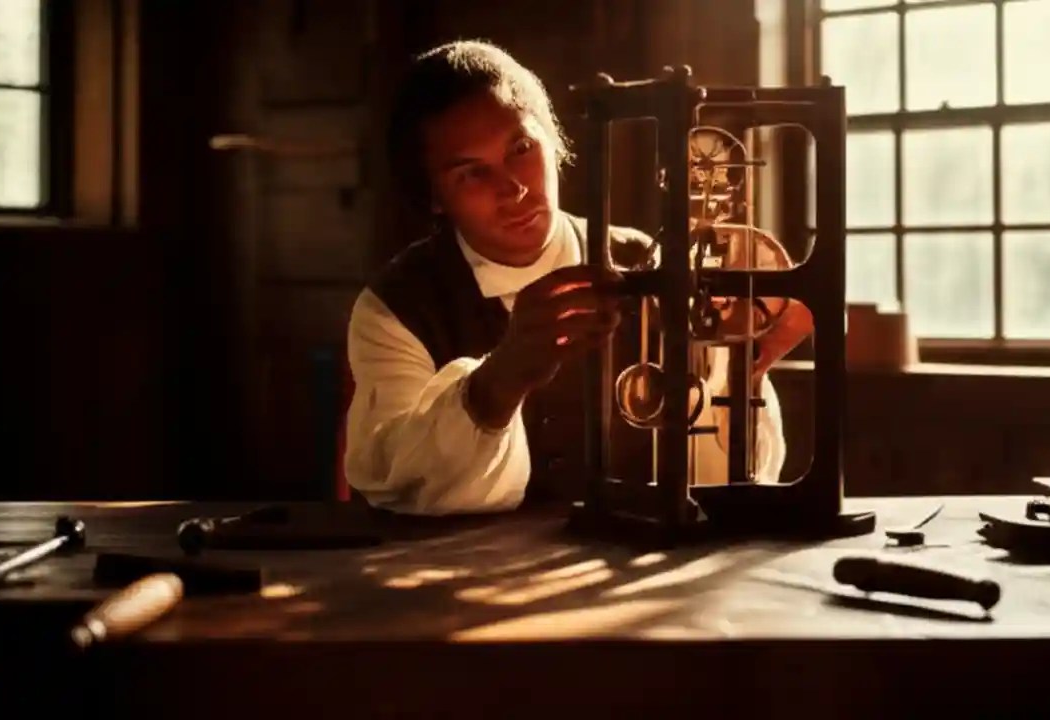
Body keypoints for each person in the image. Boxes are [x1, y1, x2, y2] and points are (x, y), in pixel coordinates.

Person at [344, 40, 809, 515]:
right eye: (471, 174)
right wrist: (496, 384)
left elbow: (725, 476)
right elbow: (397, 482)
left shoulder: (649, 267)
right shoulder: (397, 308)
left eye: (521, 149)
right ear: (433, 197)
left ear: (553, 139)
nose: (513, 188)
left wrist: (741, 360)